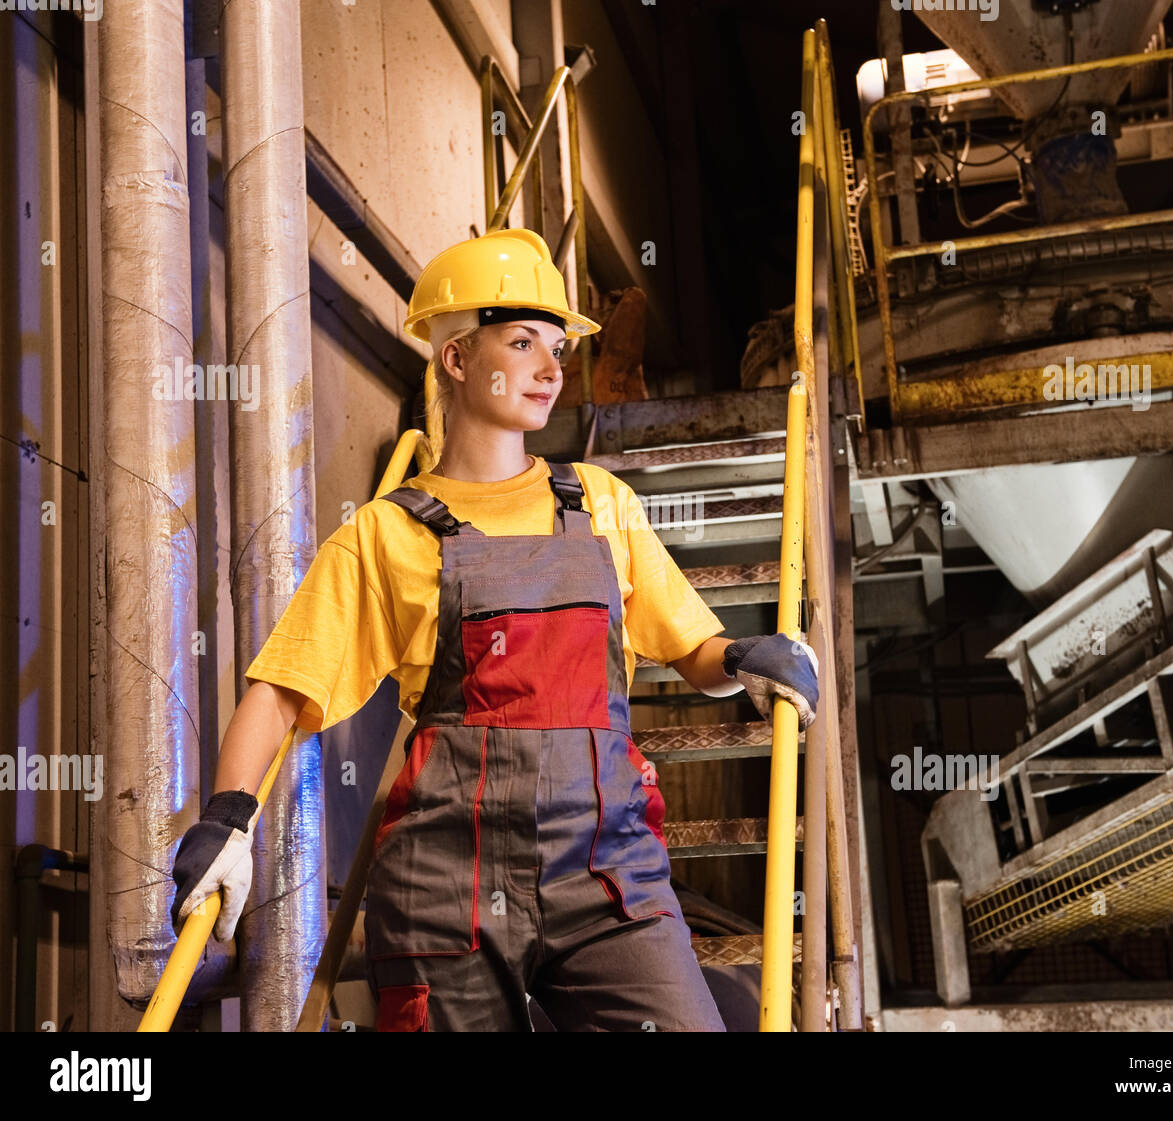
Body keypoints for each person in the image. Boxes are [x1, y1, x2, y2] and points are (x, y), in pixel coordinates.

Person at [170, 227, 820, 1032]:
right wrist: (226, 819)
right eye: (523, 342)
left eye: (556, 346)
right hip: (445, 886)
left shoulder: (600, 503)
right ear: (456, 359)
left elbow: (695, 651)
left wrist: (749, 656)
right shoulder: (385, 534)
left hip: (608, 872)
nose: (553, 368)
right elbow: (278, 693)